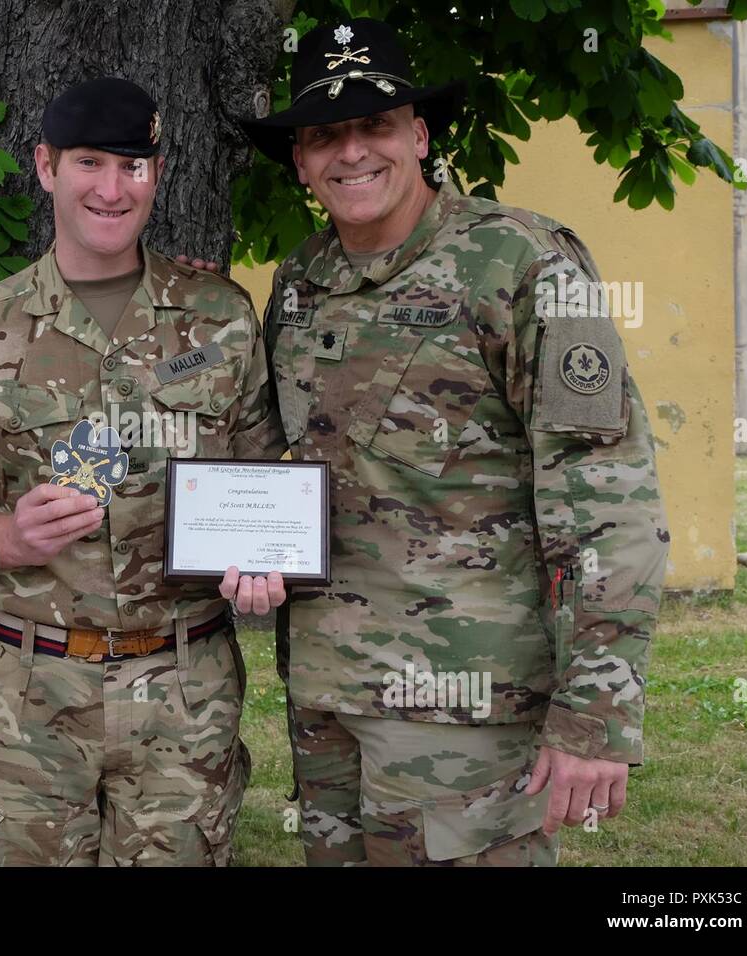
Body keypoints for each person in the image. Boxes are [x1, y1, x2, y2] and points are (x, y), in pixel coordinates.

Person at [239, 18, 670, 865]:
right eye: (325, 134)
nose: (351, 153)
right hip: (328, 697)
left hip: (467, 704)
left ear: (420, 135)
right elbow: (283, 469)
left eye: (375, 126)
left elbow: (605, 494)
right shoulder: (302, 281)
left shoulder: (520, 263)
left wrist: (596, 709)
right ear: (299, 160)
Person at [0, 77, 287, 865]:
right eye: (89, 163)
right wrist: (5, 536)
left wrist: (268, 559)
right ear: (45, 166)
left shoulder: (220, 316)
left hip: (185, 688)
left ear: (159, 173)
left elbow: (264, 473)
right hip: (26, 694)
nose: (112, 189)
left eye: (133, 166)